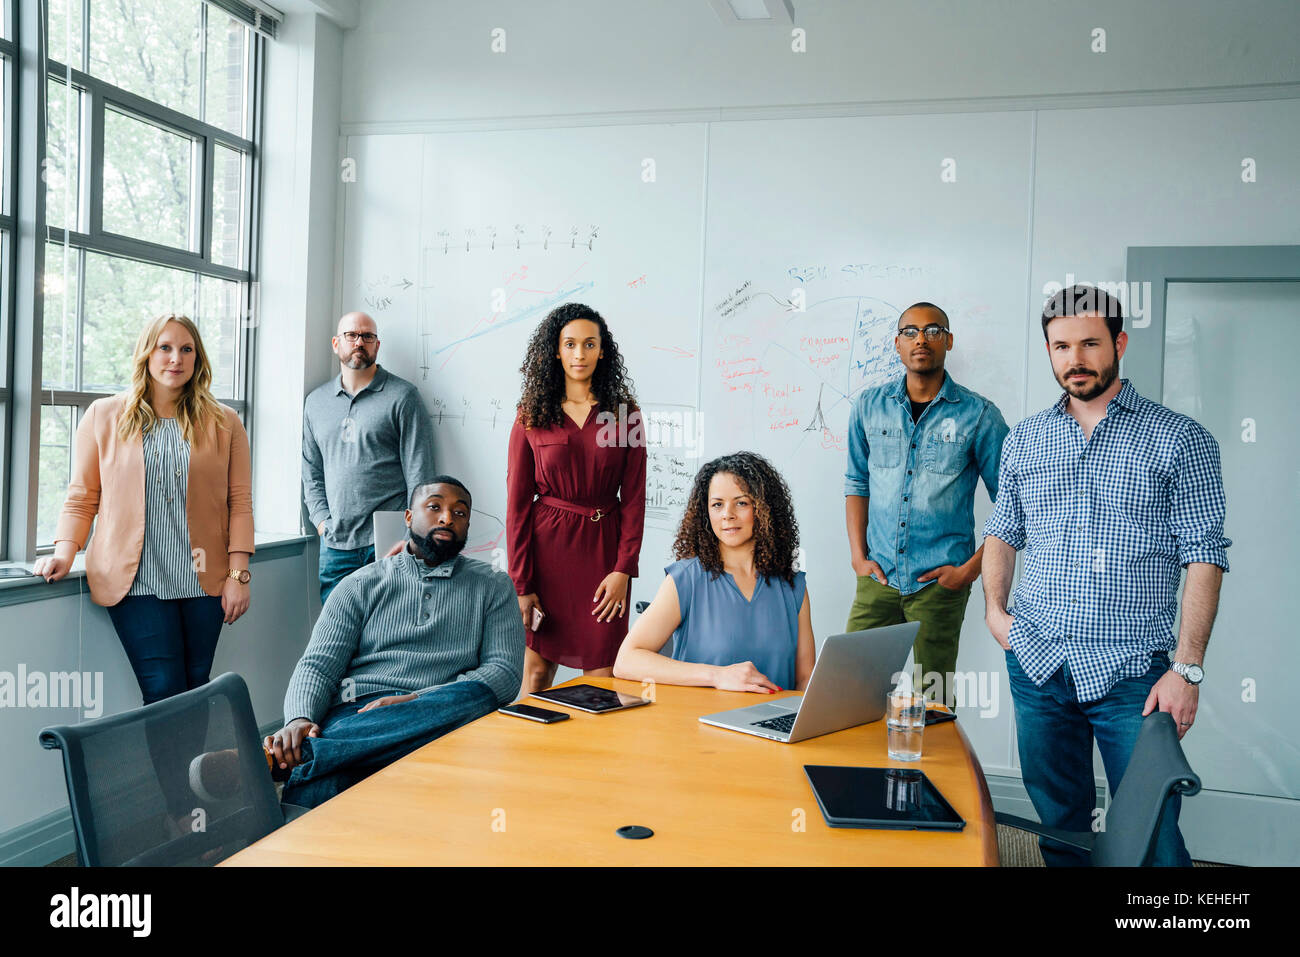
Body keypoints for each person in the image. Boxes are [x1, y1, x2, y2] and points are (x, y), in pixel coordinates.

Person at [982, 284, 1231, 867]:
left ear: (1118, 343)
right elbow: (1001, 532)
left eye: (1090, 343)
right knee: (1061, 825)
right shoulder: (1026, 439)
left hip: (1135, 679)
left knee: (1154, 837)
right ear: (1048, 351)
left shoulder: (1180, 439)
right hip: (1038, 664)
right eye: (1061, 346)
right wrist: (998, 614)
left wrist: (1187, 669)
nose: (1075, 359)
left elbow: (1206, 555)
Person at [34, 313, 253, 829]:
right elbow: (83, 494)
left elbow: (238, 502)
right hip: (137, 585)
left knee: (197, 690)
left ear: (198, 360)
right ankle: (182, 814)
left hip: (203, 581)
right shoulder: (106, 416)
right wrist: (66, 550)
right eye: (164, 348)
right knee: (162, 693)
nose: (175, 359)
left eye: (186, 350)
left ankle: (191, 805)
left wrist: (239, 573)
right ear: (146, 354)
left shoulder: (223, 422)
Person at [262, 477, 524, 809]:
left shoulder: (493, 585)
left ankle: (297, 758)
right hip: (357, 710)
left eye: (460, 513)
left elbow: (503, 675)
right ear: (408, 517)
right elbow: (318, 665)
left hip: (442, 713)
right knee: (318, 797)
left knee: (477, 695)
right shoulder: (360, 584)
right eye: (435, 506)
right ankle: (315, 760)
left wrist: (415, 700)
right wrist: (298, 719)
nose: (447, 518)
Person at [843, 302, 1008, 706]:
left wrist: (968, 571)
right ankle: (854, 770)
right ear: (897, 344)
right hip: (878, 579)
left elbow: (1015, 505)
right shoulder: (869, 406)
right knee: (848, 694)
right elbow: (856, 482)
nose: (921, 339)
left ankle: (928, 771)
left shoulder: (980, 415)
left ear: (948, 341)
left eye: (933, 331)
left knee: (932, 703)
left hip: (939, 586)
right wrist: (858, 558)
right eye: (910, 332)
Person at [506, 303, 647, 693]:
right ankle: (534, 754)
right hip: (546, 554)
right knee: (535, 673)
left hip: (604, 555)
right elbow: (517, 506)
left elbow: (634, 499)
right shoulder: (530, 413)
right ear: (556, 350)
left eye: (589, 344)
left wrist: (624, 570)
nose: (579, 354)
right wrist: (521, 583)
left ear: (603, 350)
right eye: (570, 344)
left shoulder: (625, 414)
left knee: (602, 678)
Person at [613, 452, 815, 692]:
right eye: (717, 504)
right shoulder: (685, 579)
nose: (727, 514)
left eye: (741, 502)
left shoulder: (793, 586)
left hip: (771, 727)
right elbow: (626, 661)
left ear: (764, 508)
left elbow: (805, 680)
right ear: (706, 512)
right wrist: (717, 676)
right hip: (700, 724)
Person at [302, 311, 436, 603]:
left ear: (377, 345)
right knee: (336, 637)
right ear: (336, 343)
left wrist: (410, 537)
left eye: (368, 336)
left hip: (389, 544)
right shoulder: (316, 403)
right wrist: (323, 523)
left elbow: (420, 475)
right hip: (336, 545)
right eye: (351, 335)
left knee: (387, 634)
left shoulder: (403, 396)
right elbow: (311, 473)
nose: (359, 341)